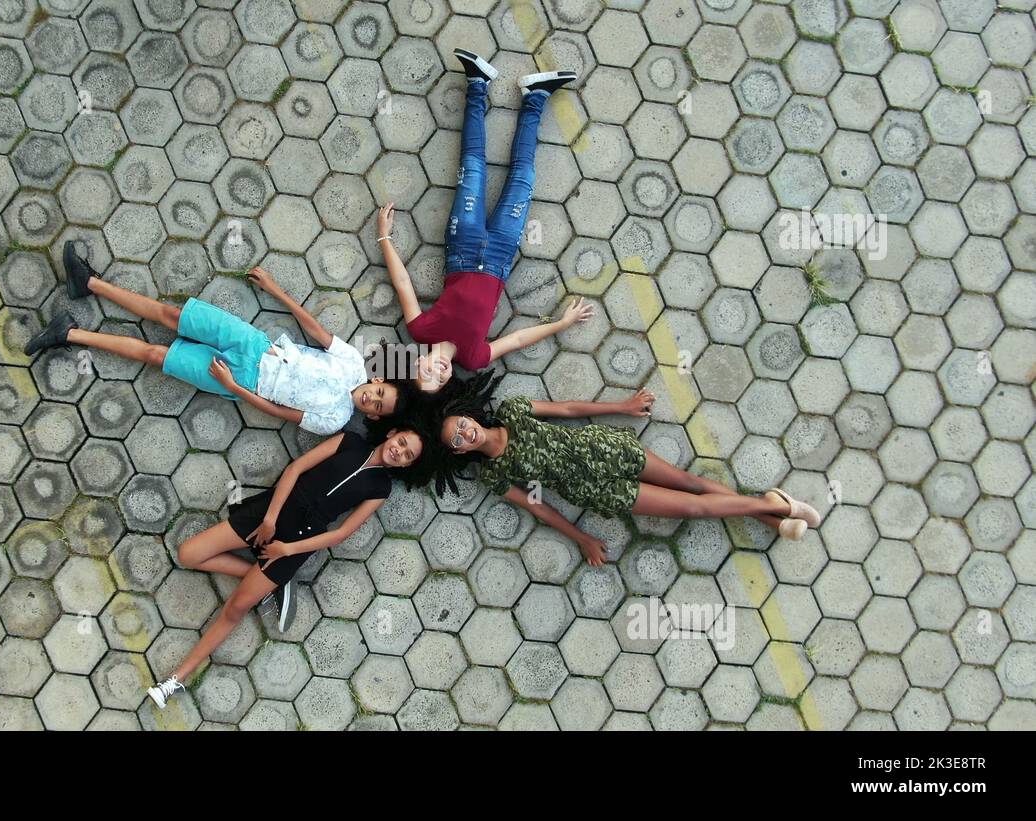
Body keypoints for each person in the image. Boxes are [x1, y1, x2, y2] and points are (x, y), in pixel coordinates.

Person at [147, 425, 429, 707]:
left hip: (301, 538)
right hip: (273, 509)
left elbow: (341, 534)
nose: (400, 451)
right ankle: (270, 582)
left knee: (236, 606)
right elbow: (295, 469)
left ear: (408, 465)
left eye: (408, 455)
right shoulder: (350, 441)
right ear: (392, 433)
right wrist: (270, 520)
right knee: (188, 554)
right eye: (402, 442)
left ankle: (175, 679)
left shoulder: (382, 488)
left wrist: (286, 550)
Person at [430, 373, 823, 567]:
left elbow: (567, 410)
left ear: (468, 416)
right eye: (457, 440)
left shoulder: (512, 410)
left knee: (689, 482)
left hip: (605, 448)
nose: (466, 433)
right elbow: (539, 508)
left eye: (461, 425)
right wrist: (580, 537)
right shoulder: (493, 476)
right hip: (596, 491)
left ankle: (775, 513)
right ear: (458, 452)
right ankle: (775, 509)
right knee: (689, 507)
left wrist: (621, 406)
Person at [25, 243, 414, 435]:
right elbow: (314, 329)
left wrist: (232, 387)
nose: (372, 397)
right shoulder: (352, 364)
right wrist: (275, 290)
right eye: (380, 391)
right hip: (257, 345)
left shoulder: (335, 420)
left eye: (377, 406)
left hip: (245, 380)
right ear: (378, 382)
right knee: (172, 315)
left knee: (157, 355)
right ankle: (87, 282)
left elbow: (278, 411)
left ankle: (68, 333)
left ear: (373, 415)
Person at [378, 49, 595, 392]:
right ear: (449, 378)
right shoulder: (475, 357)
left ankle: (477, 83)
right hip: (499, 256)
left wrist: (385, 239)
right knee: (523, 177)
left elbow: (403, 283)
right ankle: (535, 96)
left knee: (474, 166)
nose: (437, 371)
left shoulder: (421, 331)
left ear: (418, 361)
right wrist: (561, 323)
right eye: (440, 379)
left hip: (462, 246)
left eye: (426, 373)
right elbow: (519, 338)